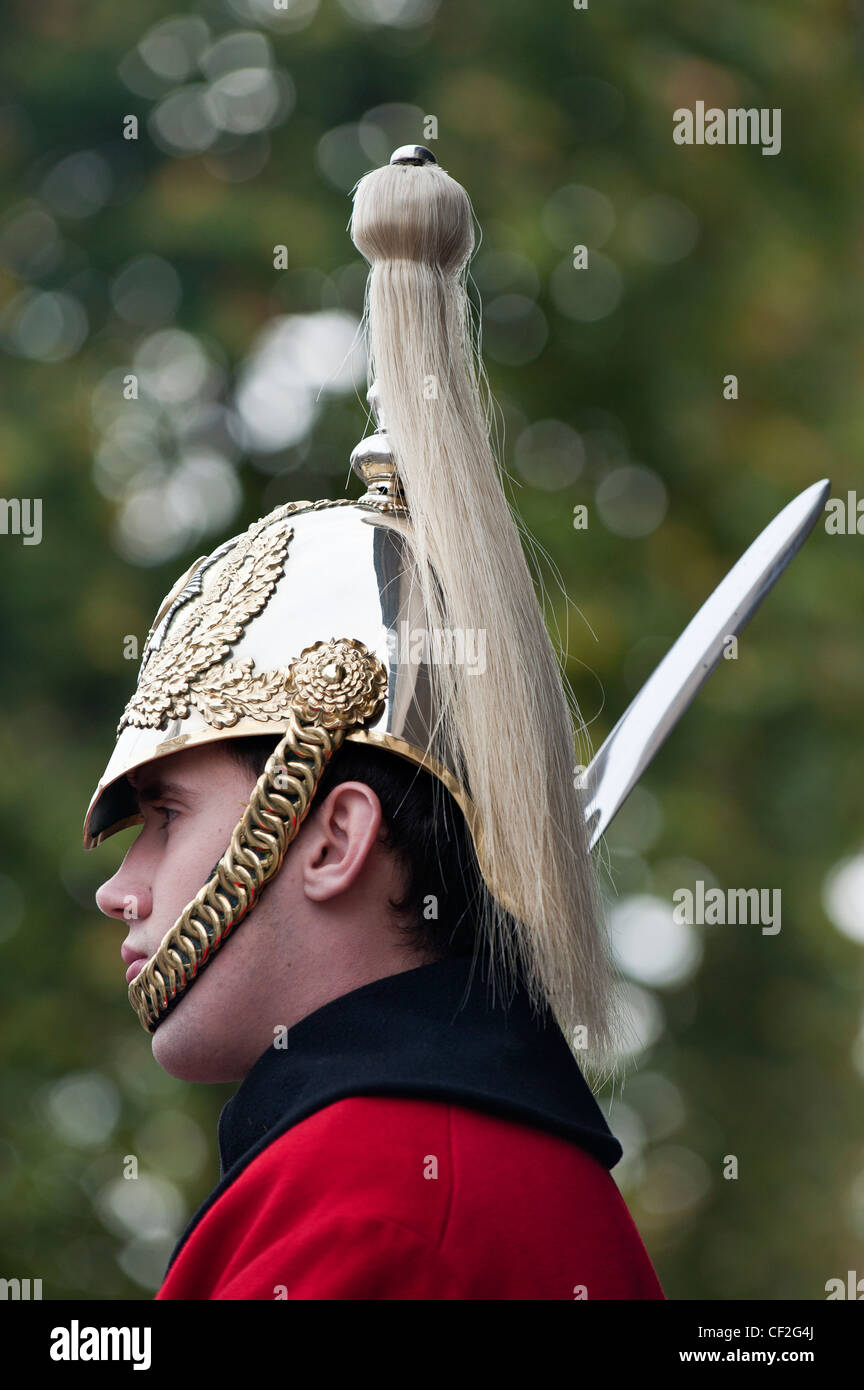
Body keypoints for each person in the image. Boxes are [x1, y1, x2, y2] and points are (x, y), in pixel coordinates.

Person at [86, 146, 665, 1300]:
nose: (122, 886)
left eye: (165, 814)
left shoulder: (387, 1204)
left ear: (336, 836)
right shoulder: (402, 1169)